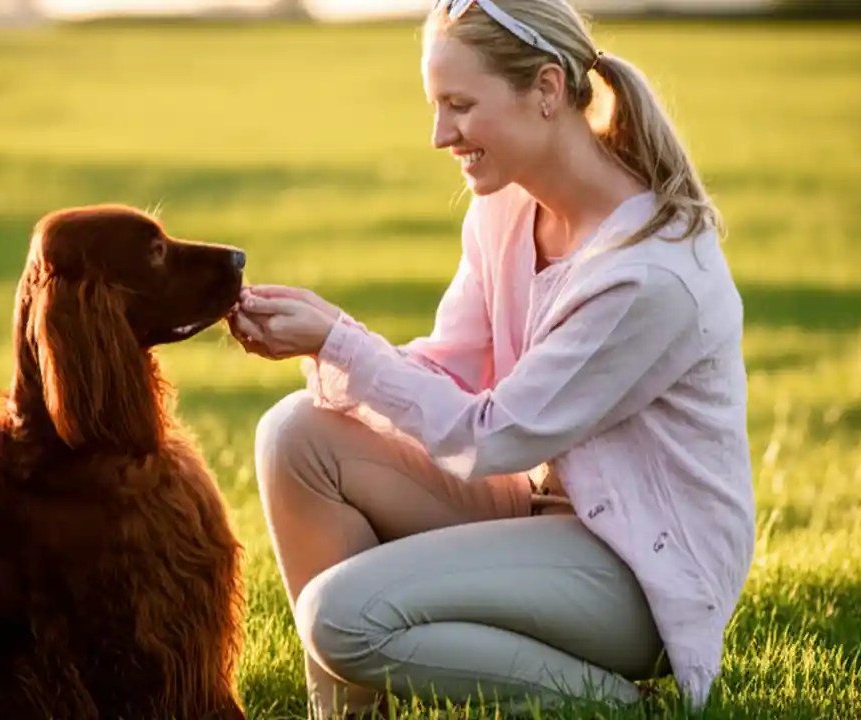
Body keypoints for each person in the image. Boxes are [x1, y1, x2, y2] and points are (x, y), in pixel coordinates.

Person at [228, 0, 754, 716]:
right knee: (295, 435)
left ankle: (621, 708)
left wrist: (339, 341)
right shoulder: (506, 209)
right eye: (435, 106)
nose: (441, 134)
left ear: (544, 90)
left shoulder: (647, 275)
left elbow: (495, 435)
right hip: (537, 510)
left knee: (340, 618)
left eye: (459, 105)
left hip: (640, 569)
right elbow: (447, 372)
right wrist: (326, 341)